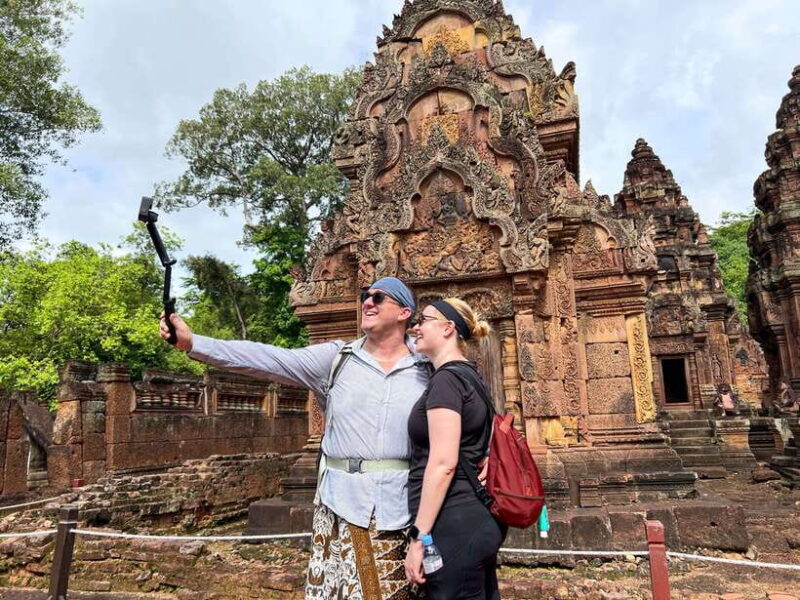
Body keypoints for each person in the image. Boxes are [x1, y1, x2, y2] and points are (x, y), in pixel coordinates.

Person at [160, 277, 429, 600]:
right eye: (364, 296)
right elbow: (269, 359)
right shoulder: (336, 359)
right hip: (343, 501)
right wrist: (195, 343)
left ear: (404, 312)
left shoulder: (427, 366)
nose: (367, 302)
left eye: (378, 297)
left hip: (406, 503)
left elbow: (462, 408)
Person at [404, 298, 505, 600]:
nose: (416, 328)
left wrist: (419, 536)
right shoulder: (471, 376)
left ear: (448, 328)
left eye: (423, 320)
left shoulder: (446, 381)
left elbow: (443, 462)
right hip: (477, 518)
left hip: (454, 521)